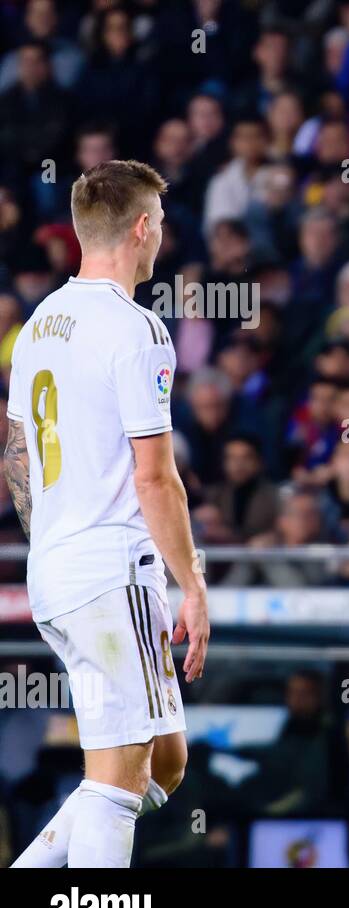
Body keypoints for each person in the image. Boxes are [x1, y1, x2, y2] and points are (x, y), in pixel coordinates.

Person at [6, 159, 210, 867]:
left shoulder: (38, 326)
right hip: (110, 569)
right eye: (162, 222)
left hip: (57, 570)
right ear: (144, 227)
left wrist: (56, 546)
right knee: (121, 782)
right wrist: (194, 583)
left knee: (163, 762)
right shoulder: (137, 327)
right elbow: (156, 476)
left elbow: (15, 452)